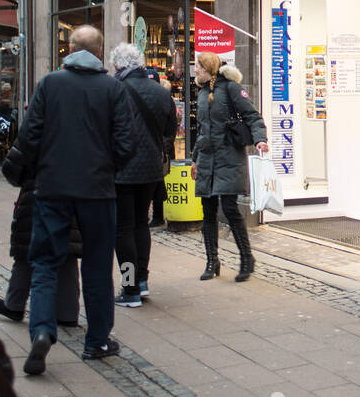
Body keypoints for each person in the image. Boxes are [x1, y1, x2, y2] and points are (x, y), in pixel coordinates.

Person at [14, 25, 135, 373]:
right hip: (98, 191)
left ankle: (41, 330)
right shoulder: (113, 89)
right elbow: (126, 144)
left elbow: (29, 135)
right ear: (100, 52)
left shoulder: (49, 84)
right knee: (97, 265)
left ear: (68, 49)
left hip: (53, 188)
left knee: (45, 262)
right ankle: (97, 340)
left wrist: (39, 169)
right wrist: (107, 168)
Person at [109, 42, 176, 306]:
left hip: (122, 169)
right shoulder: (160, 92)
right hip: (151, 170)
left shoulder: (114, 89)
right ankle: (143, 281)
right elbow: (171, 129)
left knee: (123, 229)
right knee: (141, 224)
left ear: (118, 65)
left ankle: (130, 288)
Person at [192, 52, 268, 282]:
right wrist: (195, 159)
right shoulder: (202, 92)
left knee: (230, 209)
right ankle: (212, 261)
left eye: (198, 66)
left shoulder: (231, 88)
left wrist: (260, 139)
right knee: (208, 211)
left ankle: (246, 258)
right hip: (207, 159)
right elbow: (202, 131)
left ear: (208, 68)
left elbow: (252, 116)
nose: (195, 70)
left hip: (229, 156)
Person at [0, 144, 82, 327]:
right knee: (67, 253)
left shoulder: (37, 127)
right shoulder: (82, 128)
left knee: (26, 252)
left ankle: (15, 304)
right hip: (71, 195)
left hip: (37, 193)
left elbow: (12, 167)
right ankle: (67, 312)